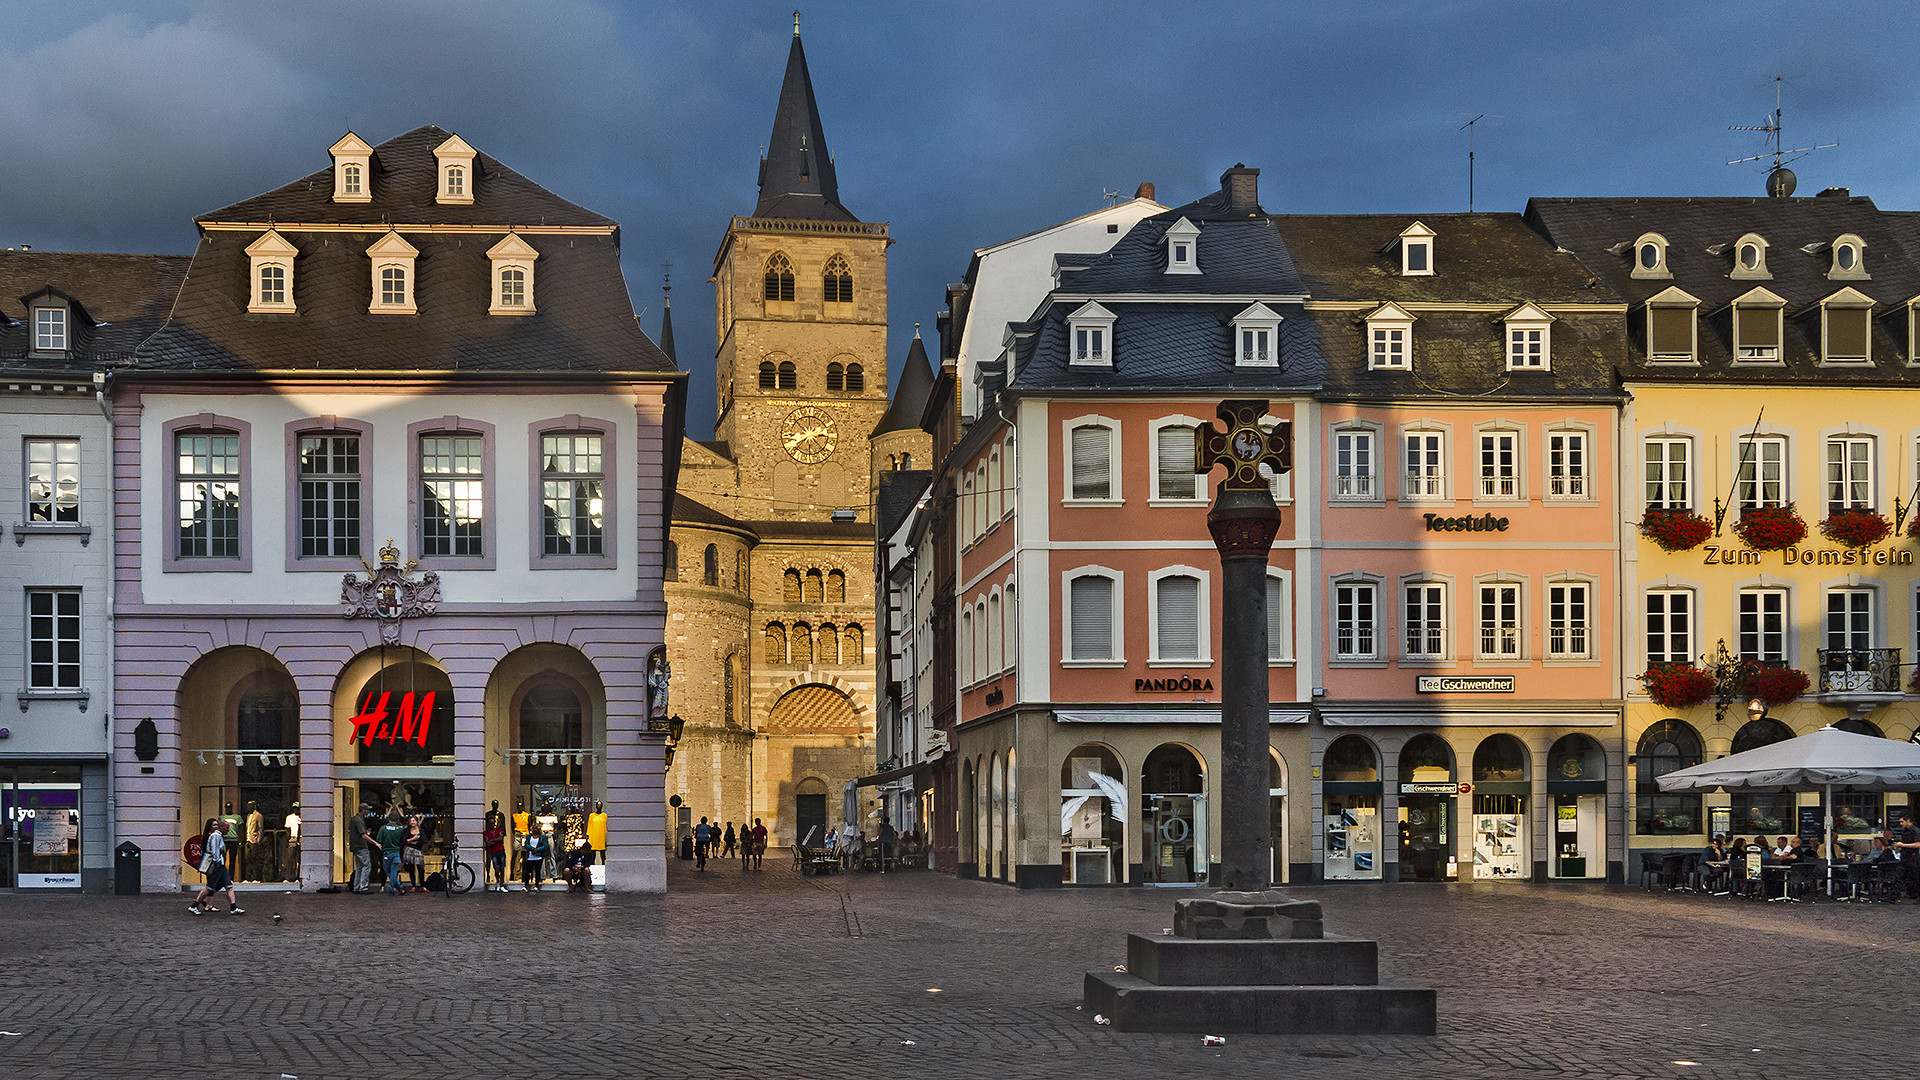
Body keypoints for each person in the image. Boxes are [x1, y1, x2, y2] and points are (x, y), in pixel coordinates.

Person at [188, 818, 245, 915]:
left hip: (221, 866)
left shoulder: (218, 836)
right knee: (209, 888)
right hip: (217, 866)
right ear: (221, 827)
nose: (228, 830)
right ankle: (193, 906)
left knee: (229, 886)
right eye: (227, 828)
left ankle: (233, 908)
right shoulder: (215, 836)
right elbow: (214, 851)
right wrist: (217, 862)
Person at [376, 809, 406, 895]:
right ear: (397, 819)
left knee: (387, 870)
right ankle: (396, 887)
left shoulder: (383, 828)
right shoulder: (400, 829)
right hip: (396, 852)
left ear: (388, 818)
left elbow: (379, 840)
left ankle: (393, 888)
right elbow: (403, 841)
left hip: (386, 852)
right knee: (394, 871)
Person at [1893, 812, 1920, 901]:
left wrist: (1903, 845)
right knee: (1902, 875)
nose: (1900, 824)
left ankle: (1914, 894)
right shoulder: (1905, 831)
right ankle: (1899, 894)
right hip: (1905, 856)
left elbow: (1918, 844)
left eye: (1902, 821)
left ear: (1908, 820)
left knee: (1914, 876)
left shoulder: (1915, 830)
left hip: (1913, 857)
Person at [347, 802, 373, 894]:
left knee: (359, 867)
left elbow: (349, 830)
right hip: (361, 846)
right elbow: (363, 835)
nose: (369, 811)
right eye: (367, 809)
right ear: (363, 810)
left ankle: (356, 887)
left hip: (355, 846)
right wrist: (375, 843)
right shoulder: (359, 820)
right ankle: (363, 887)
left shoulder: (353, 819)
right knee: (366, 866)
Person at [484, 802, 509, 892]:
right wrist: (496, 839)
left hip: (499, 848)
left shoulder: (501, 815)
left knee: (501, 867)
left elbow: (502, 832)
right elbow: (488, 842)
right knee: (491, 862)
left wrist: (496, 839)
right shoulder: (487, 814)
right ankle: (488, 875)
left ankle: (501, 883)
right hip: (493, 849)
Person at [403, 815, 427, 892]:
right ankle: (413, 886)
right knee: (411, 868)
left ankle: (422, 885)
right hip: (409, 851)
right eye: (411, 821)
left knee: (420, 868)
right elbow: (404, 840)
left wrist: (411, 842)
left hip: (418, 850)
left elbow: (423, 841)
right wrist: (413, 839)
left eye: (413, 821)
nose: (412, 822)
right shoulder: (407, 830)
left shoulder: (421, 831)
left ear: (417, 822)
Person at [522, 828, 550, 892]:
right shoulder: (529, 837)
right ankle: (526, 885)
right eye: (533, 829)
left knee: (537, 871)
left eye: (536, 829)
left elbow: (545, 846)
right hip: (530, 857)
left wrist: (538, 849)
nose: (534, 830)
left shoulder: (542, 838)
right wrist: (532, 849)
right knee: (527, 871)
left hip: (538, 857)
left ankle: (536, 885)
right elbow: (526, 845)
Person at [588, 801, 609, 865]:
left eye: (600, 805)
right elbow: (589, 826)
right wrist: (588, 836)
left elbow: (607, 827)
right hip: (593, 836)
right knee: (592, 856)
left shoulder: (605, 816)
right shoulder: (591, 816)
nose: (599, 806)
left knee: (603, 855)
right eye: (598, 805)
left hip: (602, 836)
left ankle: (604, 866)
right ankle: (592, 867)